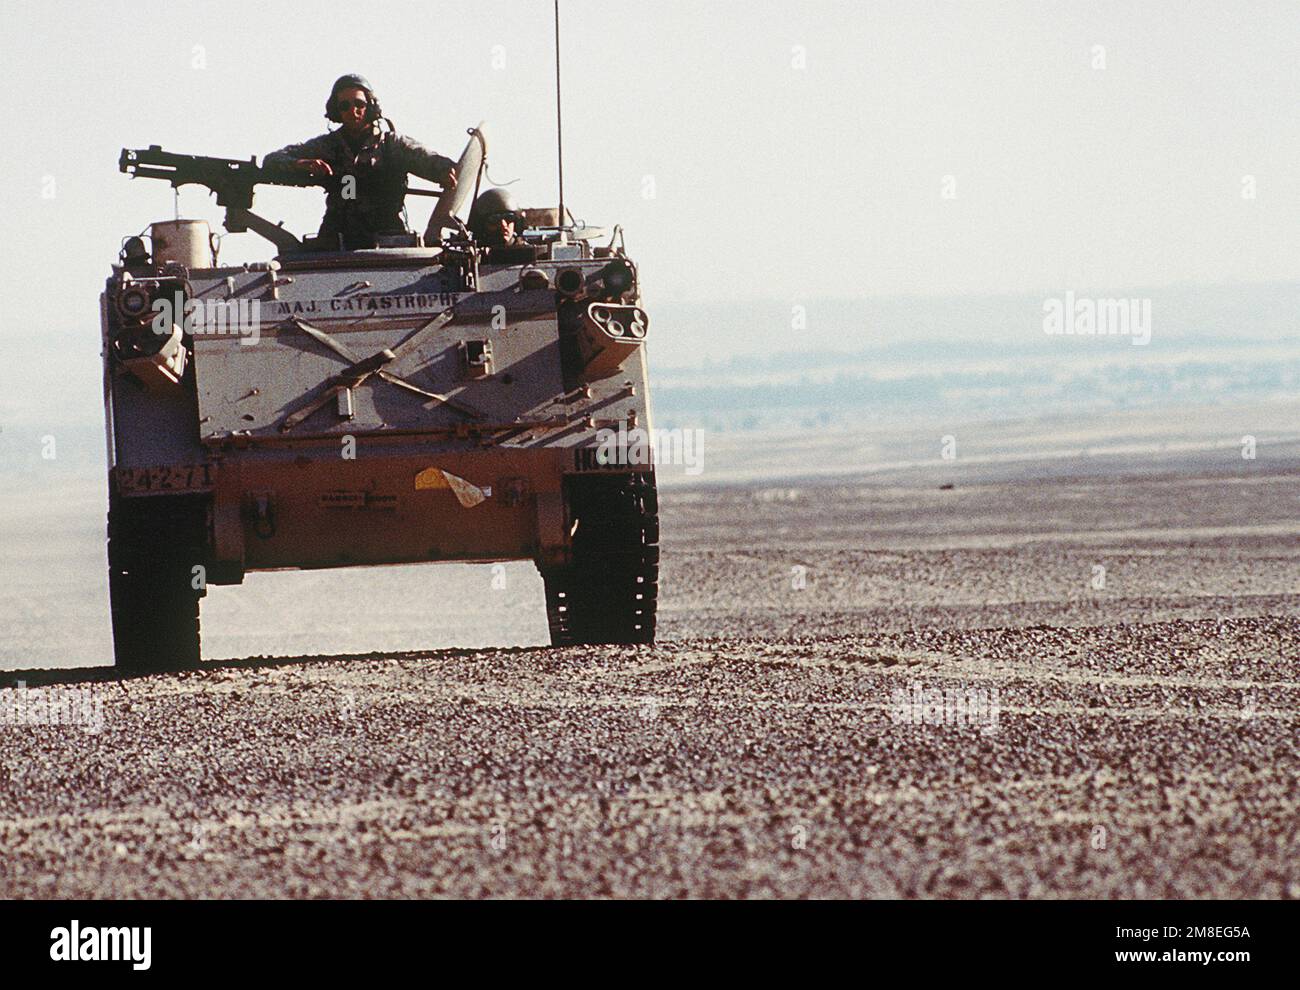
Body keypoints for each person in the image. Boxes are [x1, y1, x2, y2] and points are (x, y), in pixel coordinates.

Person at [264, 74, 457, 249]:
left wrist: (443, 171)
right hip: (336, 241)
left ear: (370, 106)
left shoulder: (392, 145)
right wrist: (300, 164)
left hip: (387, 241)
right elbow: (272, 160)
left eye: (359, 104)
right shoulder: (327, 146)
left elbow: (428, 159)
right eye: (345, 106)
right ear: (336, 110)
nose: (353, 110)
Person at [467, 187, 536, 262]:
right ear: (481, 226)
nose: (503, 225)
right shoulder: (470, 258)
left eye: (509, 218)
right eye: (495, 219)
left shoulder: (528, 254)